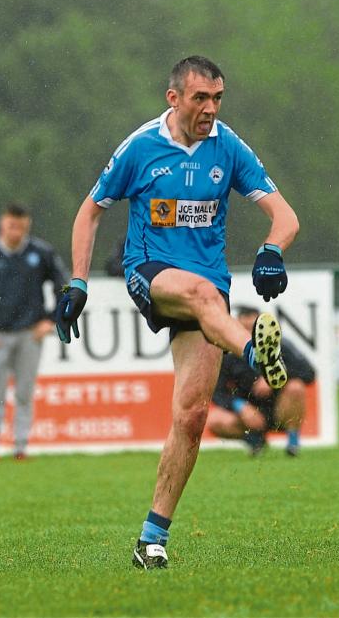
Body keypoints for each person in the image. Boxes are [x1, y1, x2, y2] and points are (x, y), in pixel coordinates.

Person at [54, 56, 299, 571]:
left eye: (217, 98)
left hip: (207, 288)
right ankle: (254, 352)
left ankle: (151, 538)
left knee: (191, 416)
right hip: (150, 269)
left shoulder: (227, 146)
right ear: (174, 99)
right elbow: (90, 210)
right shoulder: (141, 147)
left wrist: (272, 250)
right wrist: (78, 280)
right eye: (200, 99)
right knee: (206, 298)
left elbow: (285, 216)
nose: (210, 109)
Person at [0, 203, 68, 461]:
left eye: (20, 226)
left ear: (27, 225)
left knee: (24, 393)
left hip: (30, 333)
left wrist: (51, 320)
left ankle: (20, 447)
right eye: (11, 225)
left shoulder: (40, 252)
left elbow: (63, 286)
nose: (15, 231)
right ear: (2, 224)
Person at [207, 305, 316, 457]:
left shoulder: (281, 346)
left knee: (296, 387)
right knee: (214, 420)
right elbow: (217, 391)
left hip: (280, 410)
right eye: (244, 323)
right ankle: (255, 440)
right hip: (249, 414)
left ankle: (293, 443)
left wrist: (274, 378)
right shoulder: (228, 354)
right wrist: (239, 406)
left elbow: (309, 373)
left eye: (253, 323)